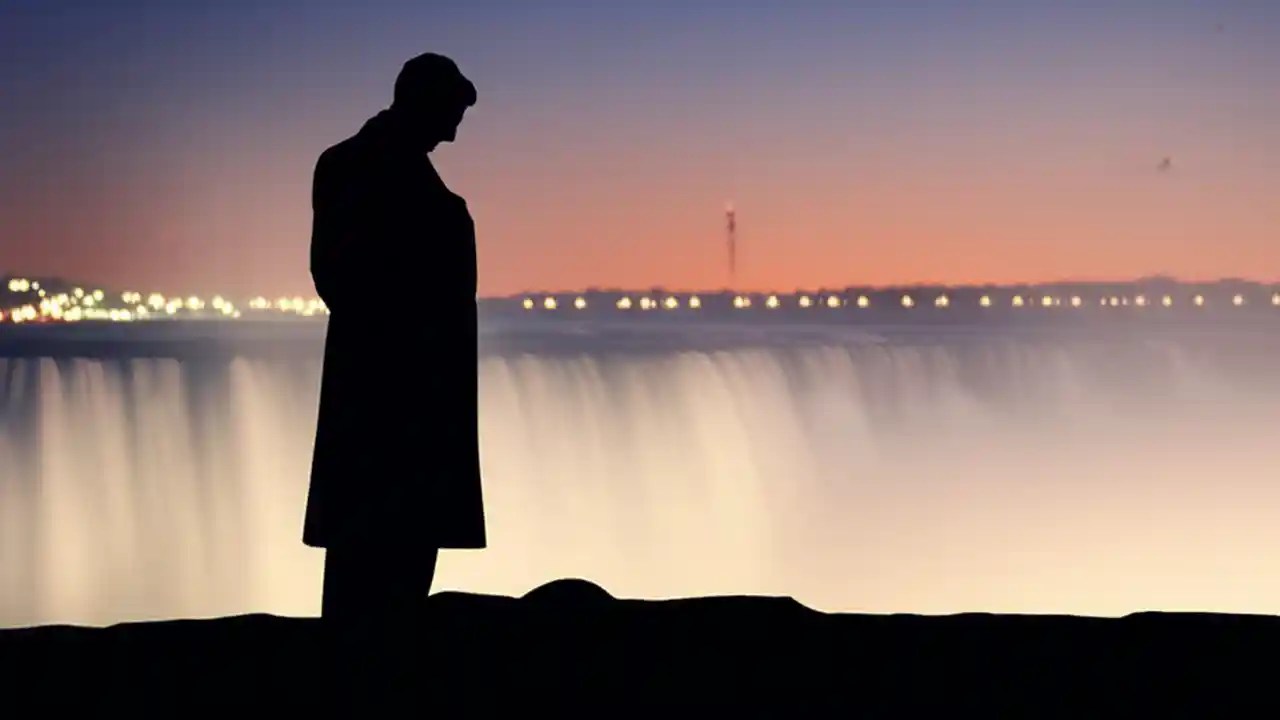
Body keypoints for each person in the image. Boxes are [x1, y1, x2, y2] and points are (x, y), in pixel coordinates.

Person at [303, 52, 487, 641]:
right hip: (397, 403)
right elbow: (344, 279)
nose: (455, 131)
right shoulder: (366, 173)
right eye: (451, 114)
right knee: (382, 567)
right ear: (424, 100)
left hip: (388, 401)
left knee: (379, 566)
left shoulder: (346, 166)